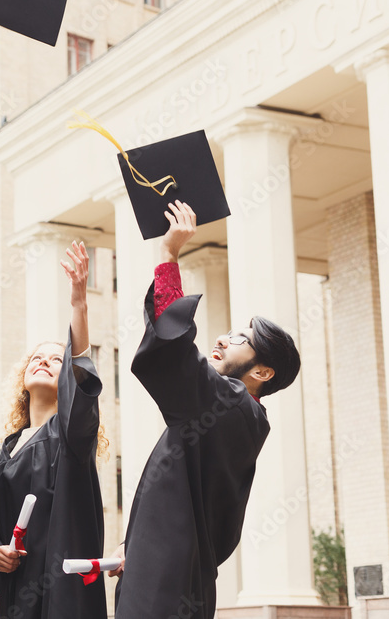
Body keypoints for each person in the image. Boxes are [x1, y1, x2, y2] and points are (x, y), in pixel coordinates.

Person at [110, 201, 301, 619]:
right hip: (175, 577)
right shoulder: (238, 418)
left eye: (240, 339)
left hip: (165, 584)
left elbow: (175, 354)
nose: (221, 339)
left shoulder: (230, 405)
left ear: (264, 371)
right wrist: (137, 544)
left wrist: (169, 256)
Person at [0, 241, 108, 619]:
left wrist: (79, 303)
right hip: (17, 591)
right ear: (23, 378)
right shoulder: (2, 453)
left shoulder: (70, 439)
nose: (45, 362)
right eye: (37, 358)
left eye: (56, 359)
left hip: (63, 593)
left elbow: (81, 377)